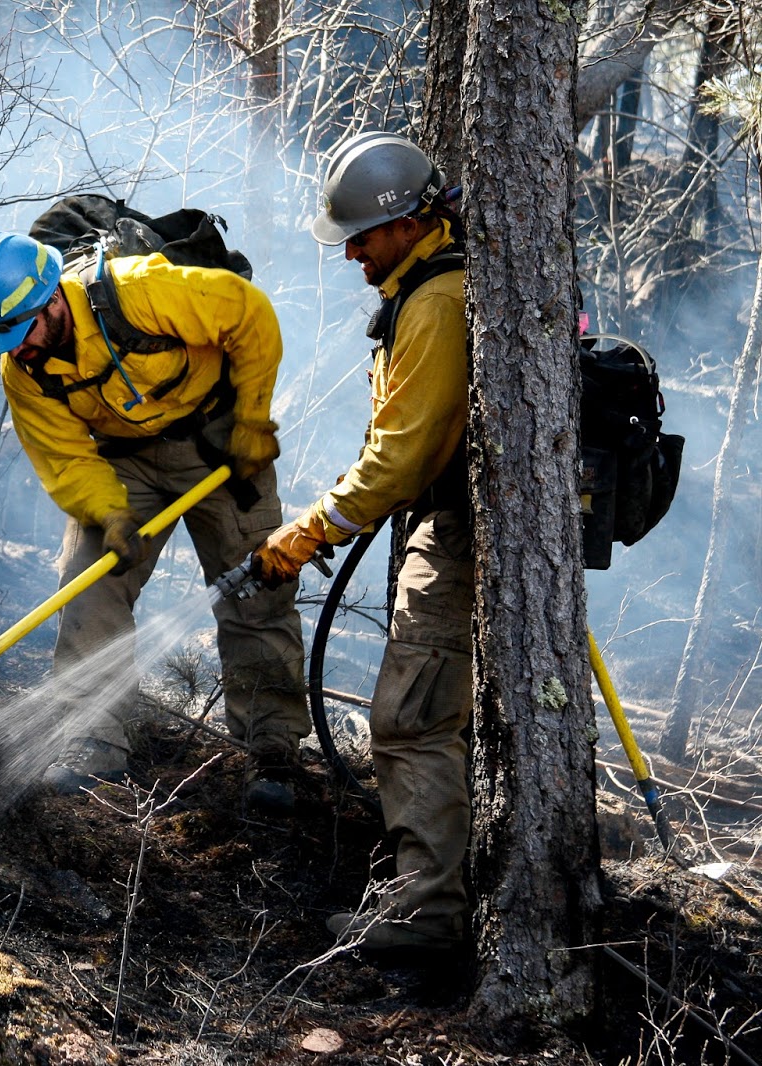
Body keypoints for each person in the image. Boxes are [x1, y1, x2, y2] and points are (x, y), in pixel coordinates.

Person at [0, 228, 309, 806]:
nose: (18, 351)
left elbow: (249, 315)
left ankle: (272, 747)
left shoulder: (139, 290)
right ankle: (94, 739)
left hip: (219, 439)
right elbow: (66, 459)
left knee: (256, 584)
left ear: (51, 299)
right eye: (5, 342)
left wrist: (252, 420)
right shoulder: (24, 371)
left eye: (23, 333)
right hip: (126, 461)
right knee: (87, 581)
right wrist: (110, 514)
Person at [251, 130, 472, 952]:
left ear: (410, 222)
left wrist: (309, 531)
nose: (351, 254)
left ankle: (426, 917)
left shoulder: (437, 303)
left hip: (457, 529)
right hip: (450, 519)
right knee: (435, 715)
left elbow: (401, 457)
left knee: (412, 721)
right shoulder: (429, 287)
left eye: (362, 237)